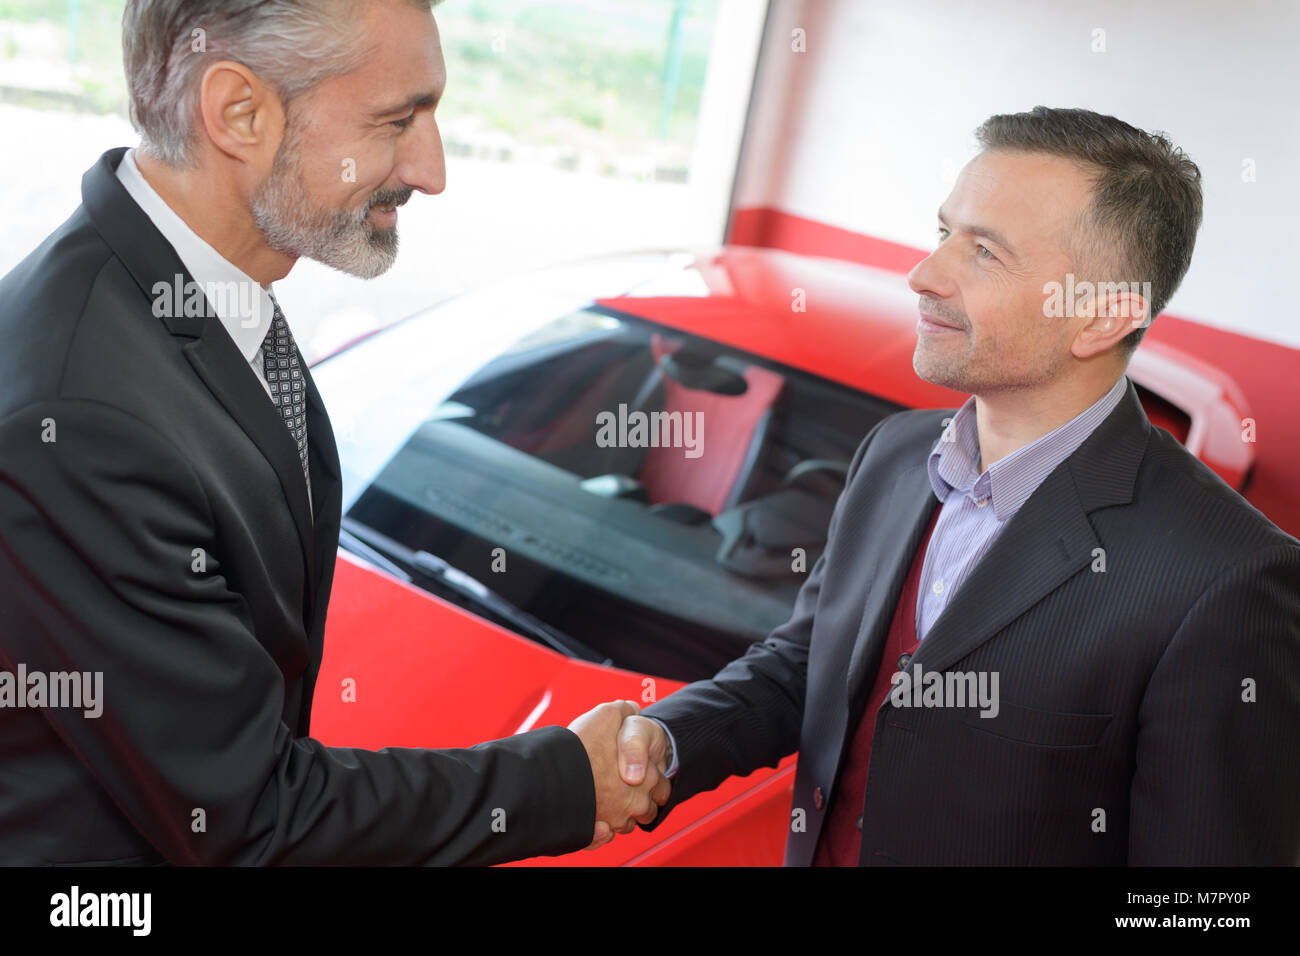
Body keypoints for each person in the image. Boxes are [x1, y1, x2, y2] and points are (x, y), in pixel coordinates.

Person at [0, 0, 664, 865]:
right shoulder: (82, 417)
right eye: (397, 120)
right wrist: (566, 782)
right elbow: (250, 818)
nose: (431, 169)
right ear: (238, 112)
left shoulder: (195, 290)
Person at [605, 106, 1300, 865]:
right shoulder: (895, 455)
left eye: (984, 254)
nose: (923, 274)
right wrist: (665, 737)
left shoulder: (1229, 578)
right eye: (944, 234)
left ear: (1102, 319)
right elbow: (810, 667)